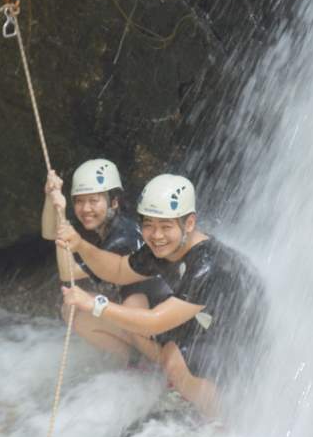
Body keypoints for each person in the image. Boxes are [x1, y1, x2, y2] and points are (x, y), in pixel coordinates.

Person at [59, 173, 267, 418]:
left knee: (173, 358)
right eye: (149, 225)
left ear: (189, 223)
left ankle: (222, 419)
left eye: (166, 226)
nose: (156, 235)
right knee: (136, 318)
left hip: (244, 344)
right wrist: (80, 245)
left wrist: (96, 304)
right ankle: (170, 379)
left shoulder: (206, 266)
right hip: (207, 324)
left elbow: (155, 322)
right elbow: (118, 270)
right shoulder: (163, 249)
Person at [42, 159, 168, 365]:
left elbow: (68, 273)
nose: (86, 208)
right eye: (79, 201)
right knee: (74, 308)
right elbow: (50, 234)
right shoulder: (119, 226)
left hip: (158, 322)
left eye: (94, 200)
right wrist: (51, 198)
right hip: (151, 314)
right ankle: (135, 361)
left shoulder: (121, 240)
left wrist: (62, 214)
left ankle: (151, 363)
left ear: (113, 202)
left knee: (79, 308)